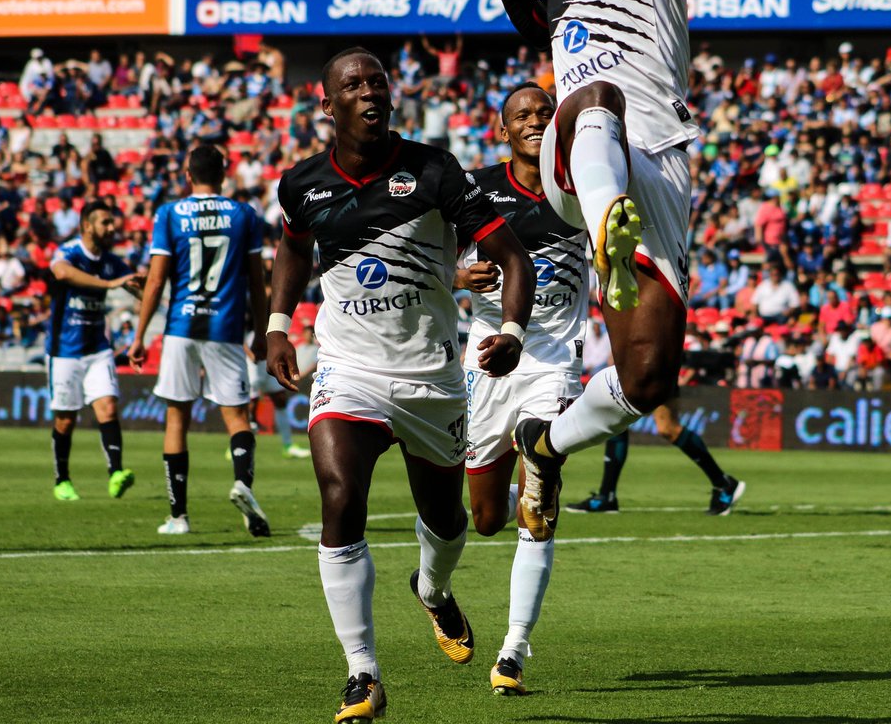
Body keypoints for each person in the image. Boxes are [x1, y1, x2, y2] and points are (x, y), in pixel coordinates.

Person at [460, 0, 816, 540]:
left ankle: (546, 445)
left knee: (647, 379)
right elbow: (539, 26)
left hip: (659, 161)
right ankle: (603, 228)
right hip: (582, 158)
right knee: (596, 97)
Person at [265, 48, 534, 722]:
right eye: (353, 85)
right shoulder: (302, 185)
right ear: (327, 105)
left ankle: (433, 590)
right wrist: (276, 322)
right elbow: (295, 248)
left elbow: (510, 254)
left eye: (377, 81)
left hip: (431, 380)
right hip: (348, 371)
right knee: (339, 495)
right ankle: (362, 674)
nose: (369, 92)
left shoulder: (435, 170)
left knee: (446, 523)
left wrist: (514, 331)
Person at [452, 82, 587, 695]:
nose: (535, 121)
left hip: (554, 364)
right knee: (484, 520)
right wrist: (456, 274)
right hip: (488, 365)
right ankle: (518, 474)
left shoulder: (587, 183)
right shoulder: (475, 189)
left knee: (540, 505)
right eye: (522, 116)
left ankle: (512, 652)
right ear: (502, 131)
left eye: (544, 113)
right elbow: (429, 257)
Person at [129, 145, 271, 538]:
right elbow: (257, 283)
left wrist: (140, 336)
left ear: (188, 176)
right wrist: (261, 333)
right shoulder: (244, 215)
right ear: (224, 176)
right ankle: (243, 484)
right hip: (224, 330)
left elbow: (156, 280)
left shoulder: (170, 214)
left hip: (180, 326)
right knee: (237, 417)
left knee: (177, 418)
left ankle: (178, 517)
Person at [47, 201, 144, 501]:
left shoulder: (112, 261)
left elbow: (136, 288)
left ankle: (116, 473)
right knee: (66, 419)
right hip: (65, 348)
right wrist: (108, 284)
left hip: (98, 348)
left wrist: (147, 289)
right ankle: (62, 479)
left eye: (112, 222)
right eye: (105, 222)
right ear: (87, 226)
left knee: (108, 407)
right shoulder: (69, 252)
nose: (112, 228)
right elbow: (61, 273)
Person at [566, 397, 744, 516]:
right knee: (616, 415)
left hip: (656, 357)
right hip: (635, 359)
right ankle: (607, 497)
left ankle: (723, 483)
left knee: (667, 428)